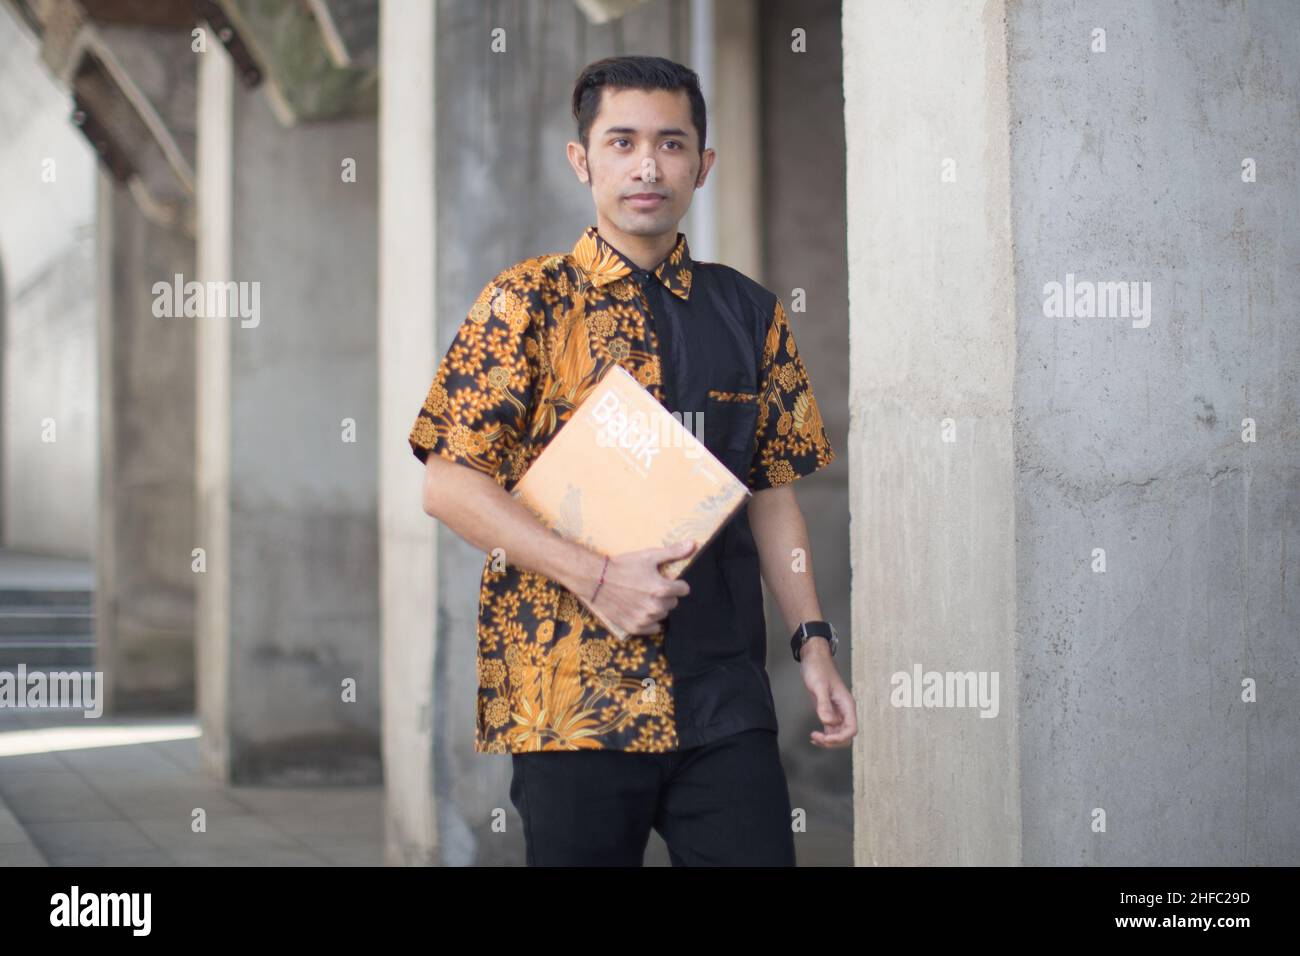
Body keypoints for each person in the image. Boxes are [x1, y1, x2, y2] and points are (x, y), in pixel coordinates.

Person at [408, 54, 856, 867]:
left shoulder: (749, 312)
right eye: (622, 142)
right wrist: (595, 575)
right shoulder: (525, 304)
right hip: (569, 694)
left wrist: (813, 642)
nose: (648, 165)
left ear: (703, 164)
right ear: (583, 160)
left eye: (672, 143)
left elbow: (772, 493)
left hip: (721, 698)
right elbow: (448, 483)